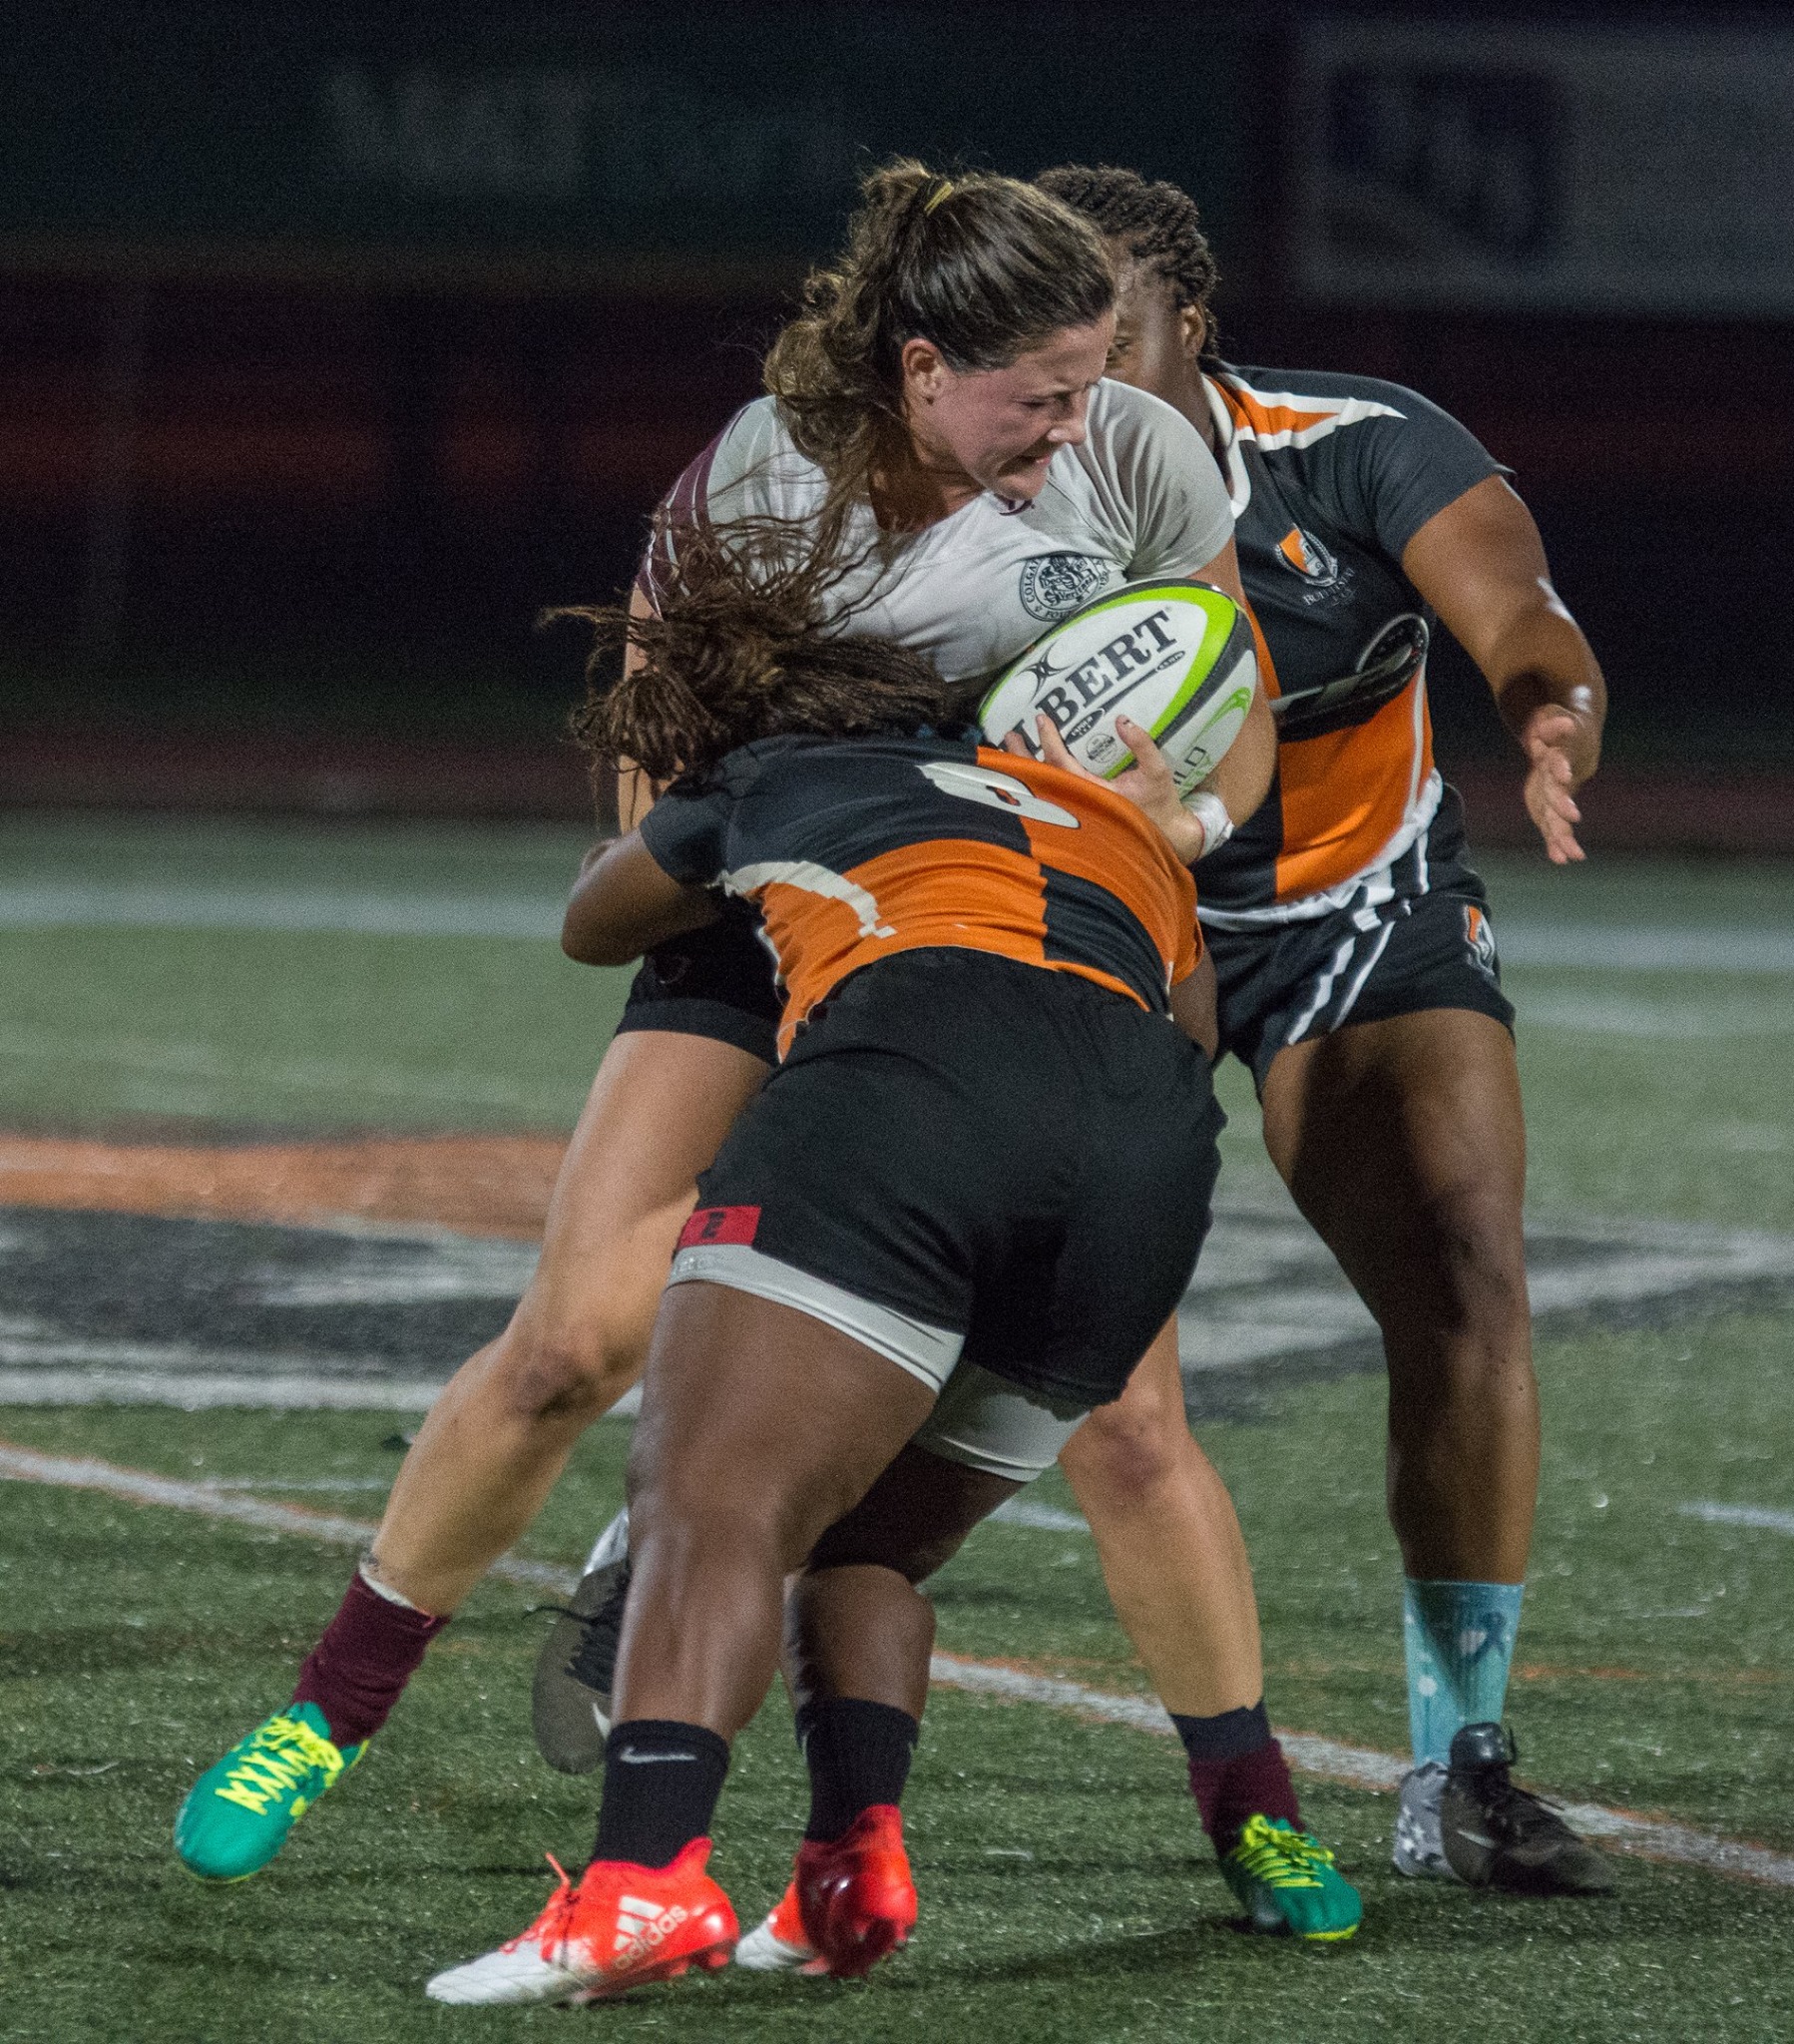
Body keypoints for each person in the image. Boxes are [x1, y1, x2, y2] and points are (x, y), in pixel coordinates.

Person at [176, 161, 1341, 1939]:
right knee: (570, 1340)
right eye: (1040, 396)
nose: (1082, 426)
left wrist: (1174, 826)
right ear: (922, 363)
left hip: (1025, 942)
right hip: (785, 900)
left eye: (1100, 379)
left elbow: (1222, 716)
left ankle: (1249, 1805)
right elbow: (655, 745)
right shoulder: (760, 480)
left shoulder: (1132, 458)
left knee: (1127, 1426)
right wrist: (716, 917)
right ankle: (325, 1710)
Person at [425, 534, 1247, 2004]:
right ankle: (845, 1877)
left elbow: (592, 922)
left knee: (709, 1506)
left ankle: (641, 1883)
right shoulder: (1111, 825)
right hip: (1146, 1164)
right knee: (864, 1542)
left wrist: (694, 818)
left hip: (912, 1090)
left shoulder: (773, 774)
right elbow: (1189, 1031)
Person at [1028, 163, 1614, 1893]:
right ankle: (692, 1525)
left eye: (1111, 339)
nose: (1075, 388)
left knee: (1460, 1265)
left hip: (1357, 909)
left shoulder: (1344, 441)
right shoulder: (1004, 485)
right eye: (1046, 349)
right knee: (1033, 1338)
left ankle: (1462, 1765)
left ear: (1193, 329)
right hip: (1115, 914)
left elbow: (1513, 612)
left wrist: (1550, 709)